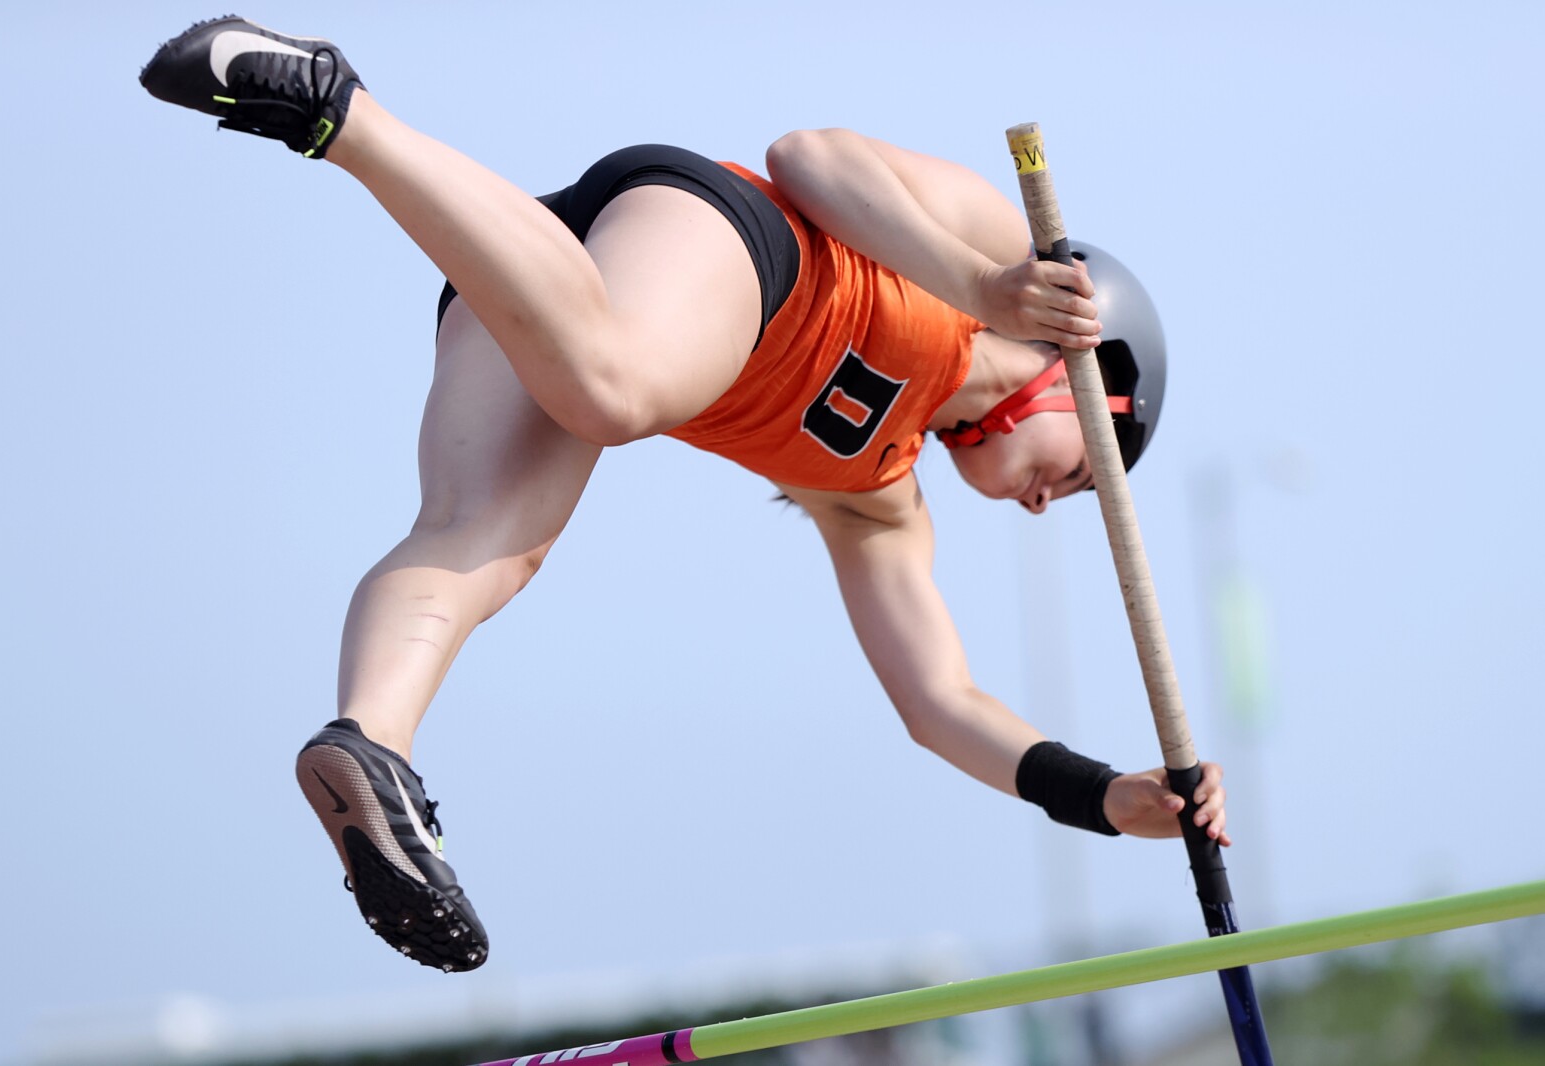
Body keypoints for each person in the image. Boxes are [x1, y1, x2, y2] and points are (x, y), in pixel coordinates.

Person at [140, 16, 1231, 974]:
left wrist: (1102, 796)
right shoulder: (990, 258)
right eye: (1082, 472)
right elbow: (809, 156)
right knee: (613, 392)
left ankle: (372, 744)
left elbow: (938, 702)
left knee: (481, 543)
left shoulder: (876, 498)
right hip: (712, 235)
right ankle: (340, 109)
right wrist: (988, 284)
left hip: (539, 269)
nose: (1048, 503)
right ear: (1085, 368)